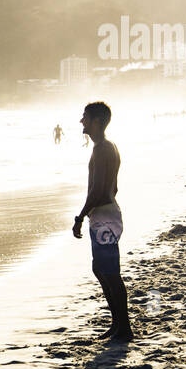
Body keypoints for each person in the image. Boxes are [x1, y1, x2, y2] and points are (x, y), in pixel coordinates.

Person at [72, 101, 132, 343]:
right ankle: (117, 324)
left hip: (104, 216)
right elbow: (113, 187)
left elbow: (97, 190)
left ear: (96, 121)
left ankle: (124, 328)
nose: (81, 121)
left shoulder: (101, 149)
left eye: (85, 117)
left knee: (110, 273)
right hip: (106, 214)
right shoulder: (108, 146)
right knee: (101, 270)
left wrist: (80, 216)